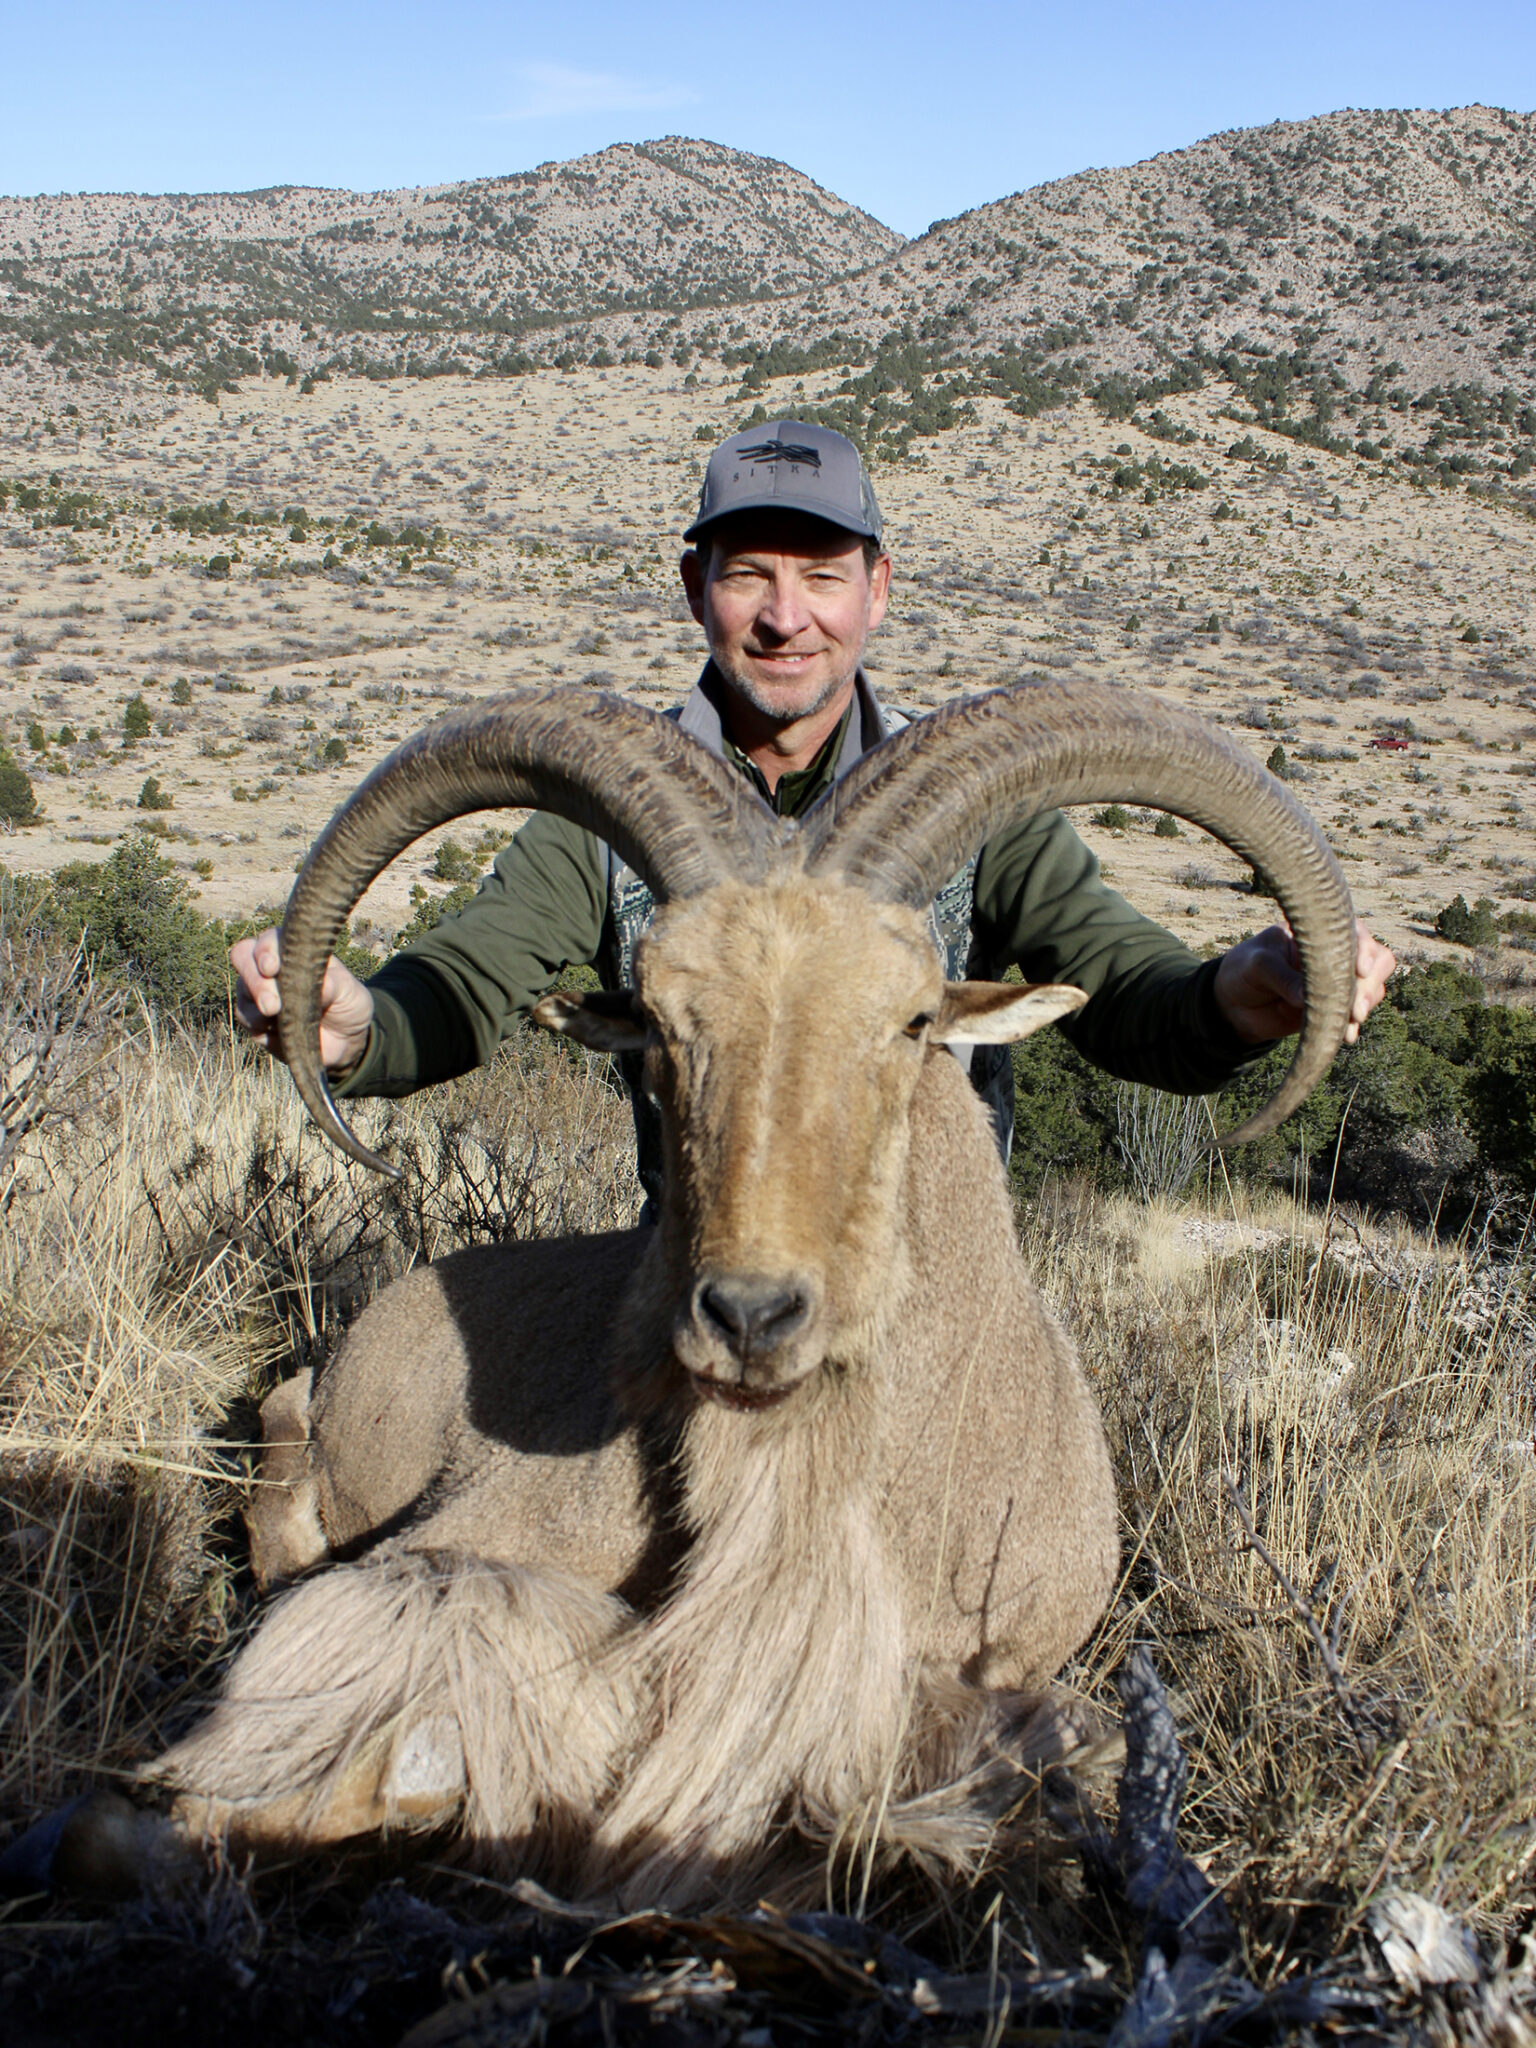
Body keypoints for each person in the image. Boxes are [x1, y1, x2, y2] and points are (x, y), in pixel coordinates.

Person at [231, 421, 1395, 1201]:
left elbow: (1123, 990)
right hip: (706, 1275)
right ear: (698, 588)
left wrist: (1238, 997)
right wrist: (359, 1028)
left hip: (931, 1288)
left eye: (823, 574)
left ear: (877, 589)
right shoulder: (606, 813)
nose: (787, 616)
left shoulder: (971, 803)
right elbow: (473, 979)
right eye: (749, 573)